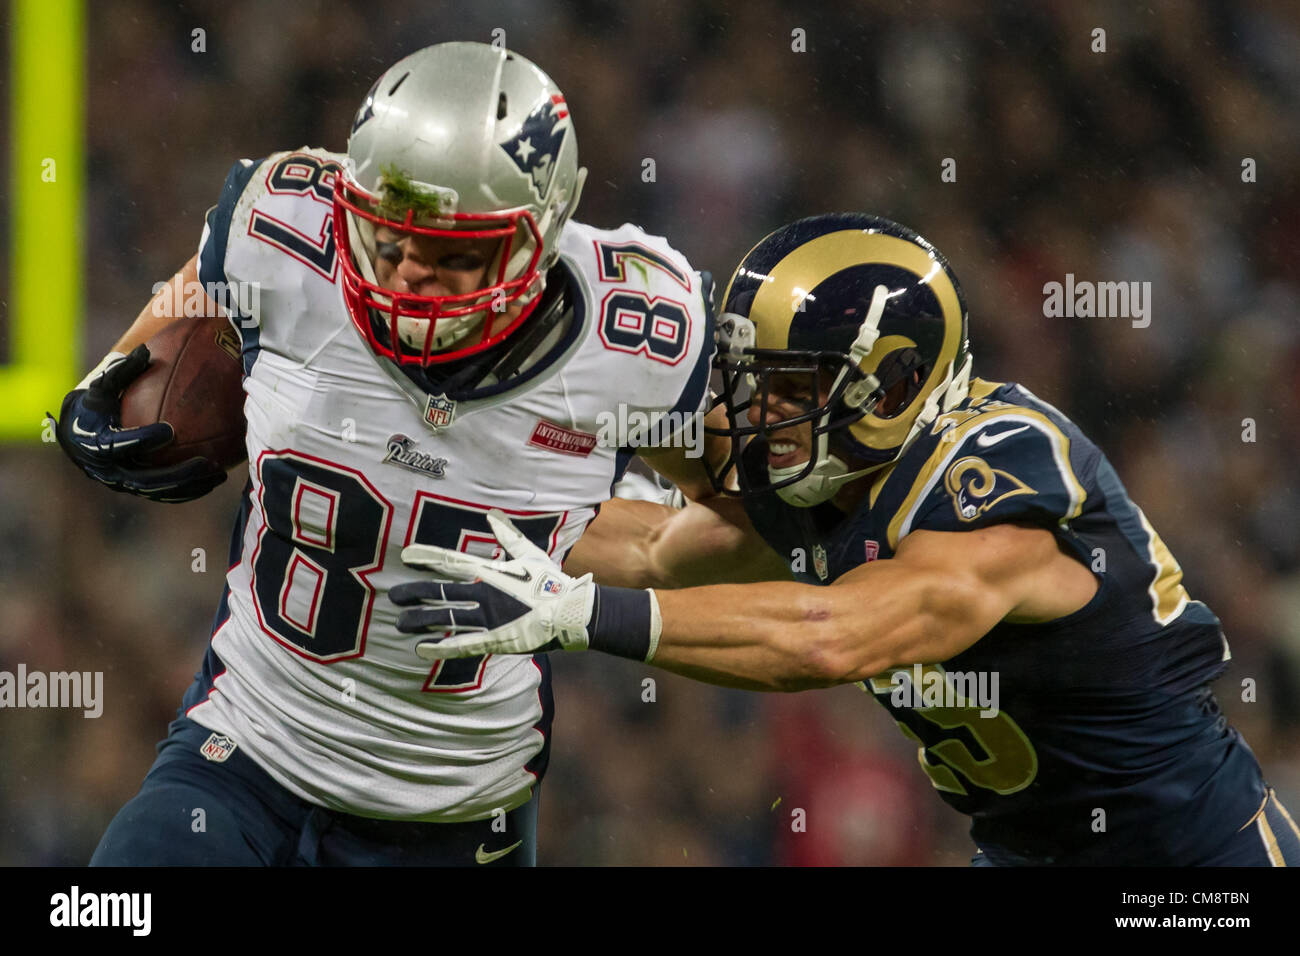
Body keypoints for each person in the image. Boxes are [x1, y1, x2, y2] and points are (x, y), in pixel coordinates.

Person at [395, 212, 1300, 866]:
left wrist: (582, 614)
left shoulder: (996, 482)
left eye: (793, 387)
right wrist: (461, 504)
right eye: (754, 381)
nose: (761, 413)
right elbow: (660, 553)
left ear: (897, 383)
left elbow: (833, 635)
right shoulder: (829, 478)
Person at [55, 41, 714, 866]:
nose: (409, 276)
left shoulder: (638, 338)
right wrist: (107, 381)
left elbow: (722, 517)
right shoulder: (283, 226)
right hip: (242, 755)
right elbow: (190, 301)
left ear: (541, 236)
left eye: (453, 254)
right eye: (389, 240)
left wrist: (603, 554)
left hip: (452, 815)